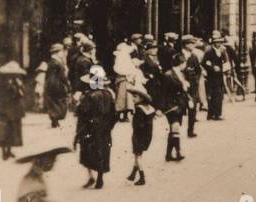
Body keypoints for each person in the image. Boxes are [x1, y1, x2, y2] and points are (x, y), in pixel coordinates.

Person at [74, 65, 117, 190]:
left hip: (90, 128)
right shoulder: (108, 95)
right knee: (102, 152)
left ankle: (90, 176)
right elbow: (115, 114)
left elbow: (83, 114)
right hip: (104, 129)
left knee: (87, 152)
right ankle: (100, 178)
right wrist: (109, 126)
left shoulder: (89, 96)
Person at [124, 55, 155, 186]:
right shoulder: (149, 108)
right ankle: (132, 174)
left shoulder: (139, 110)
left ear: (141, 98)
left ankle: (142, 176)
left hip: (138, 136)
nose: (134, 99)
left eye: (135, 97)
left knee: (138, 156)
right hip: (147, 136)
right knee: (138, 155)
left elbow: (138, 125)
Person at [156, 52, 191, 163]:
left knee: (173, 130)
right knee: (175, 127)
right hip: (171, 106)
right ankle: (178, 152)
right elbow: (163, 92)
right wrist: (160, 108)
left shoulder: (181, 74)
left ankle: (168, 154)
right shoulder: (168, 75)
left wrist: (188, 99)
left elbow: (182, 89)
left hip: (180, 105)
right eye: (184, 62)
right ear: (181, 63)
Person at [0, 61, 28, 160]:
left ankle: (9, 150)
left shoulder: (16, 81)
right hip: (4, 109)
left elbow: (23, 93)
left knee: (13, 132)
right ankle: (4, 152)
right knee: (4, 131)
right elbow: (1, 96)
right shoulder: (1, 81)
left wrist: (20, 85)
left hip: (15, 110)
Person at [203, 32, 230, 120]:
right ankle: (213, 114)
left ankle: (216, 113)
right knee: (213, 95)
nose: (218, 44)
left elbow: (226, 61)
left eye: (219, 42)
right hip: (211, 76)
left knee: (219, 94)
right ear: (213, 43)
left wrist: (227, 71)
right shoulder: (209, 51)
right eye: (216, 42)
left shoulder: (222, 50)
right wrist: (212, 67)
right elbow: (204, 63)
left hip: (220, 76)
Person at [42, 43, 70, 128]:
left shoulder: (52, 62)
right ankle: (55, 120)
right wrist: (66, 85)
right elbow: (61, 76)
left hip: (52, 85)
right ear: (57, 52)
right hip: (56, 85)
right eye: (61, 51)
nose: (63, 53)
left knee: (55, 103)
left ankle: (55, 121)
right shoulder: (56, 63)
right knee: (58, 103)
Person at [181, 37, 203, 136]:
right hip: (180, 85)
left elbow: (198, 70)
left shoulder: (194, 57)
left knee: (192, 107)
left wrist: (195, 80)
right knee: (179, 107)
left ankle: (190, 130)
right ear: (186, 44)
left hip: (192, 85)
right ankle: (175, 130)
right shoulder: (178, 56)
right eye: (191, 44)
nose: (193, 45)